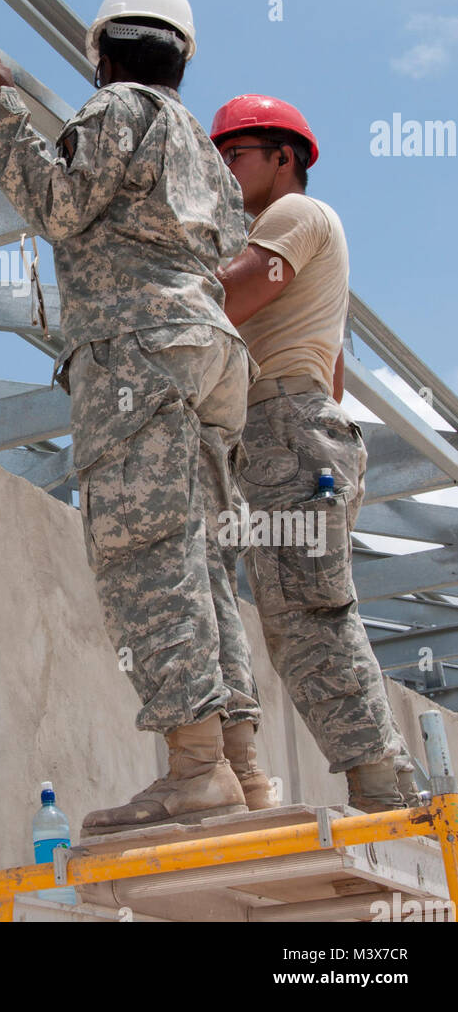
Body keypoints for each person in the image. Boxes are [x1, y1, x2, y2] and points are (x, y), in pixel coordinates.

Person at [0, 0, 275, 835]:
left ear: (103, 52)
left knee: (144, 559)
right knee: (199, 566)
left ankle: (196, 774)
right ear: (181, 58)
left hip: (137, 351)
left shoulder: (115, 107)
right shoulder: (201, 146)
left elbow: (57, 203)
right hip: (206, 357)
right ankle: (242, 772)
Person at [212, 94, 418, 811]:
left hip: (285, 427)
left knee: (304, 613)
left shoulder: (293, 216)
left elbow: (227, 302)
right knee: (297, 611)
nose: (224, 169)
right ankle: (377, 783)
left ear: (282, 156)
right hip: (287, 430)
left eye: (234, 154)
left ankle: (383, 789)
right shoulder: (279, 228)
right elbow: (330, 370)